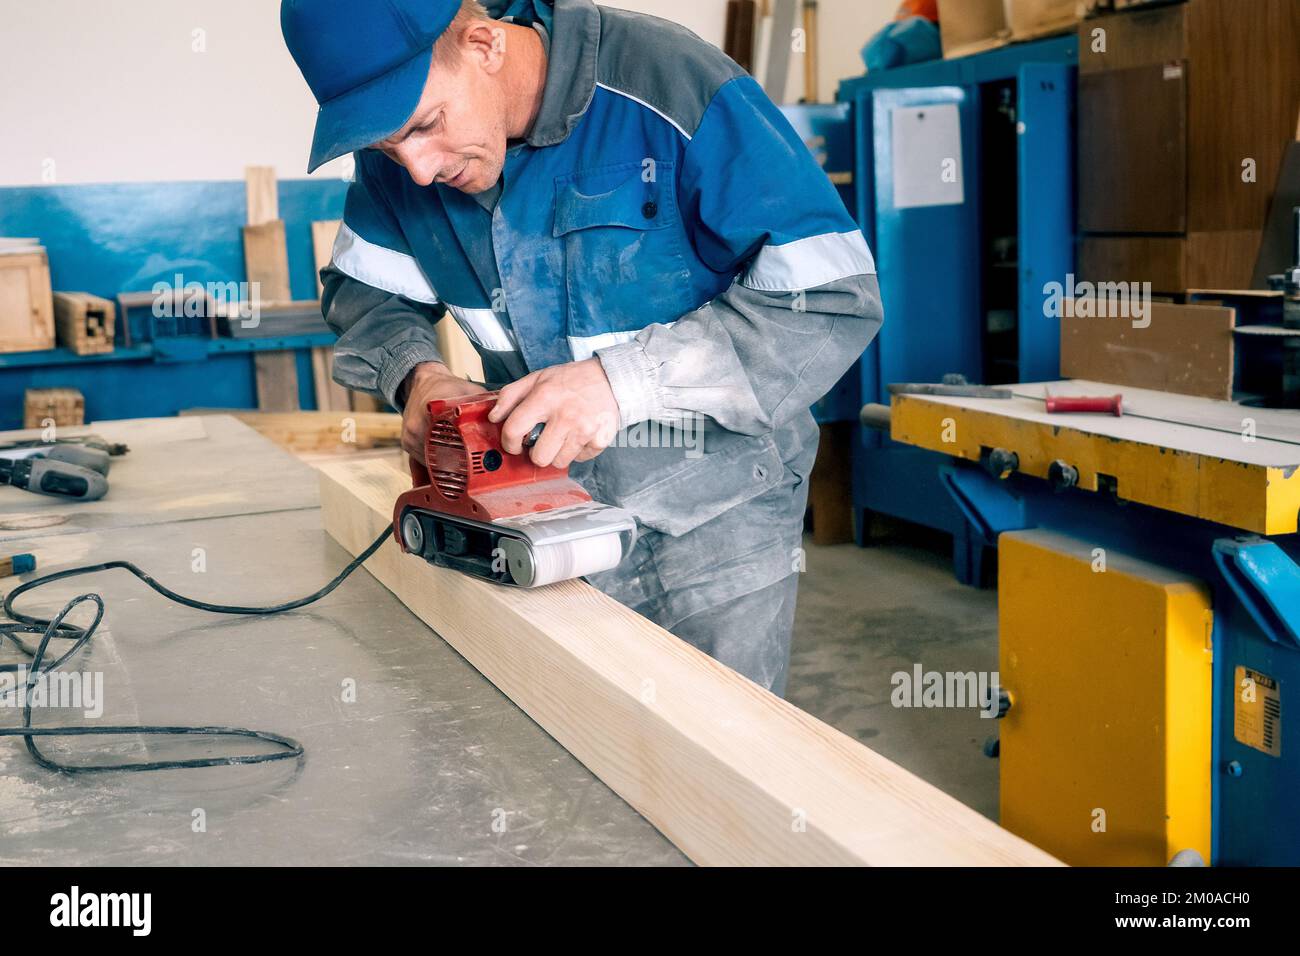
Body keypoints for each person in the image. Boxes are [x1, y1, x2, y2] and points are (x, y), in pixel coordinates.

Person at [281, 0, 884, 696]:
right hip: (537, 520)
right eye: (389, 146)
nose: (415, 169)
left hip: (715, 525)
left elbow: (832, 299)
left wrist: (623, 382)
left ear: (482, 43)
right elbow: (367, 293)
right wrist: (416, 375)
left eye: (426, 127)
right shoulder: (406, 147)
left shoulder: (668, 83)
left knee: (717, 761)